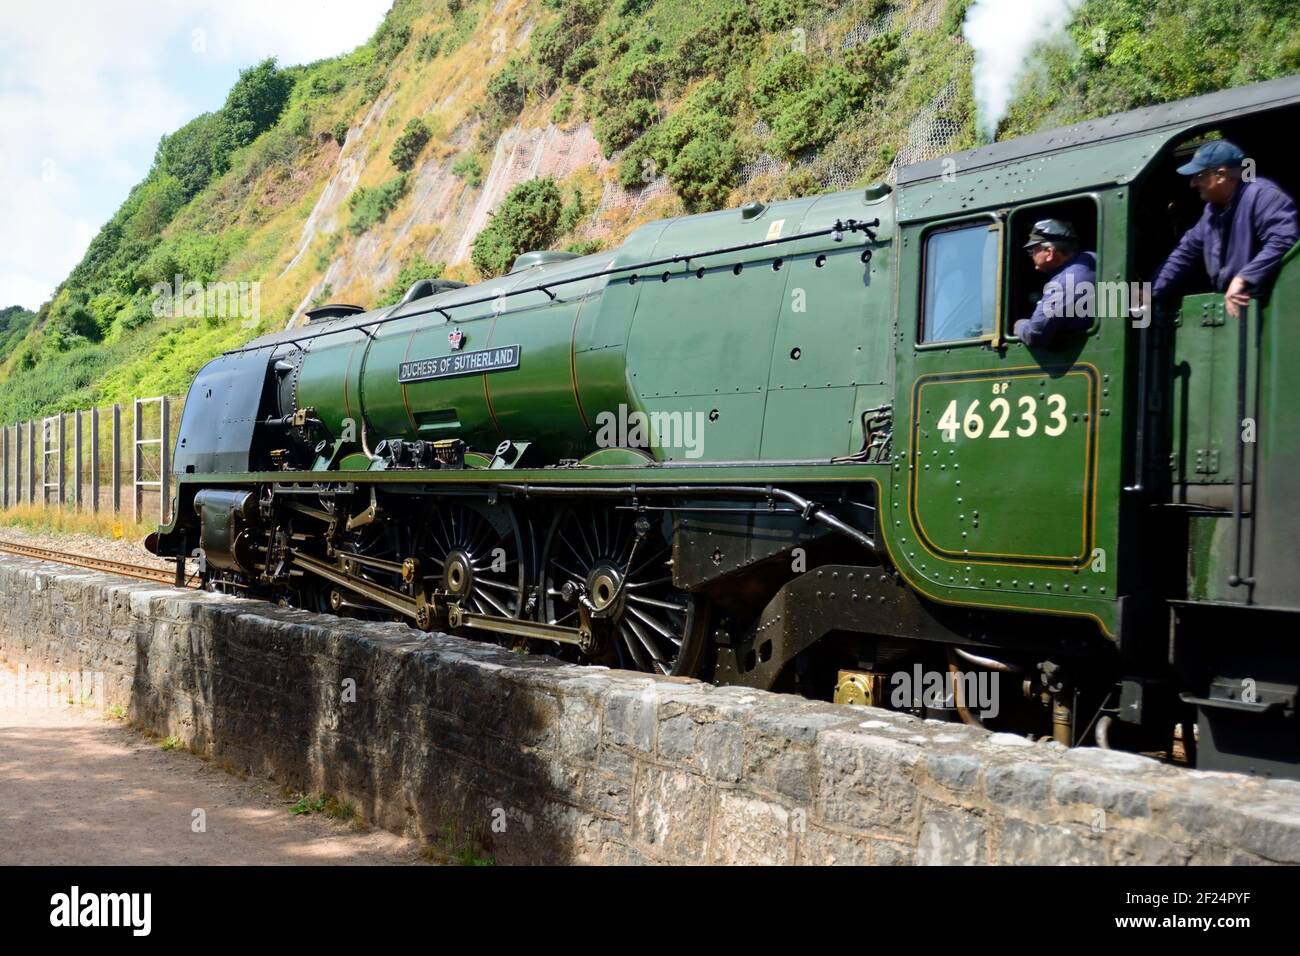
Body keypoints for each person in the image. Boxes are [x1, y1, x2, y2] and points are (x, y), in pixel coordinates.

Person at [1151, 140, 1299, 318]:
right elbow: (1185, 253)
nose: (1192, 183)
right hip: (1236, 310)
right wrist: (1151, 292)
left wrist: (1243, 278)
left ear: (1221, 174)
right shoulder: (1211, 211)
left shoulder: (1262, 196)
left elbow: (1284, 239)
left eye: (1198, 176)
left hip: (1271, 310)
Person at [1013, 219, 1097, 347]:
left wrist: (1018, 324)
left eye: (1032, 250)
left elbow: (1035, 334)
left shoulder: (1064, 283)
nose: (1031, 255)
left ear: (1049, 253)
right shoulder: (1091, 258)